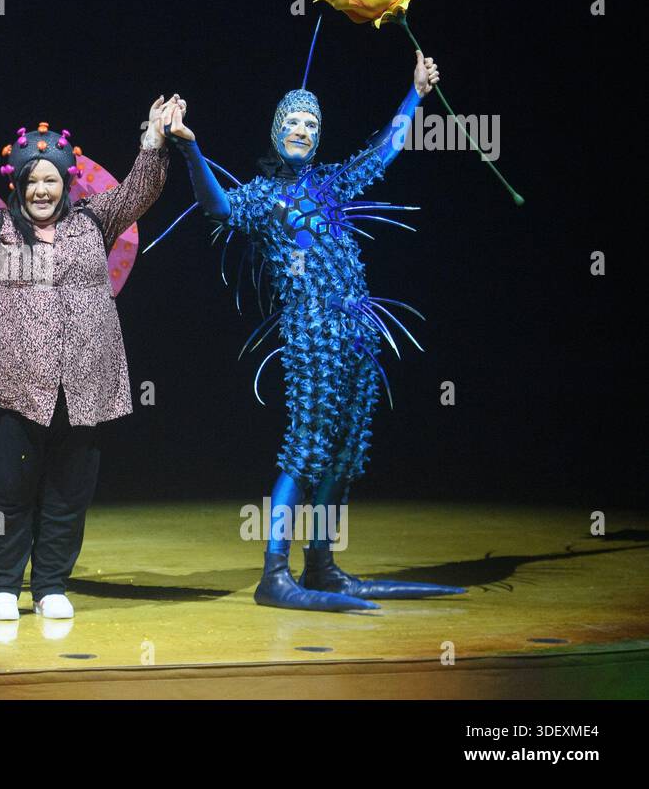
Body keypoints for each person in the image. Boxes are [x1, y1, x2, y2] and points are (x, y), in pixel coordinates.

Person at [168, 53, 468, 611]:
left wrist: (415, 95)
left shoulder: (331, 183)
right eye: (292, 123)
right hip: (313, 328)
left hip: (359, 326)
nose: (302, 131)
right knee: (307, 448)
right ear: (276, 130)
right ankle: (274, 572)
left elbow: (383, 152)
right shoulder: (261, 196)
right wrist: (190, 146)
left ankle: (323, 564)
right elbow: (218, 206)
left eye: (311, 125)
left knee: (348, 450)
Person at [0, 100, 175, 620]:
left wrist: (152, 140)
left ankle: (50, 586)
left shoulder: (93, 223)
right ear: (17, 185)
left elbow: (138, 193)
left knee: (69, 490)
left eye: (51, 180)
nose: (42, 190)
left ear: (67, 182)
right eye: (31, 181)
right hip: (14, 382)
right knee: (11, 488)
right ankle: (2, 584)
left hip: (85, 379)